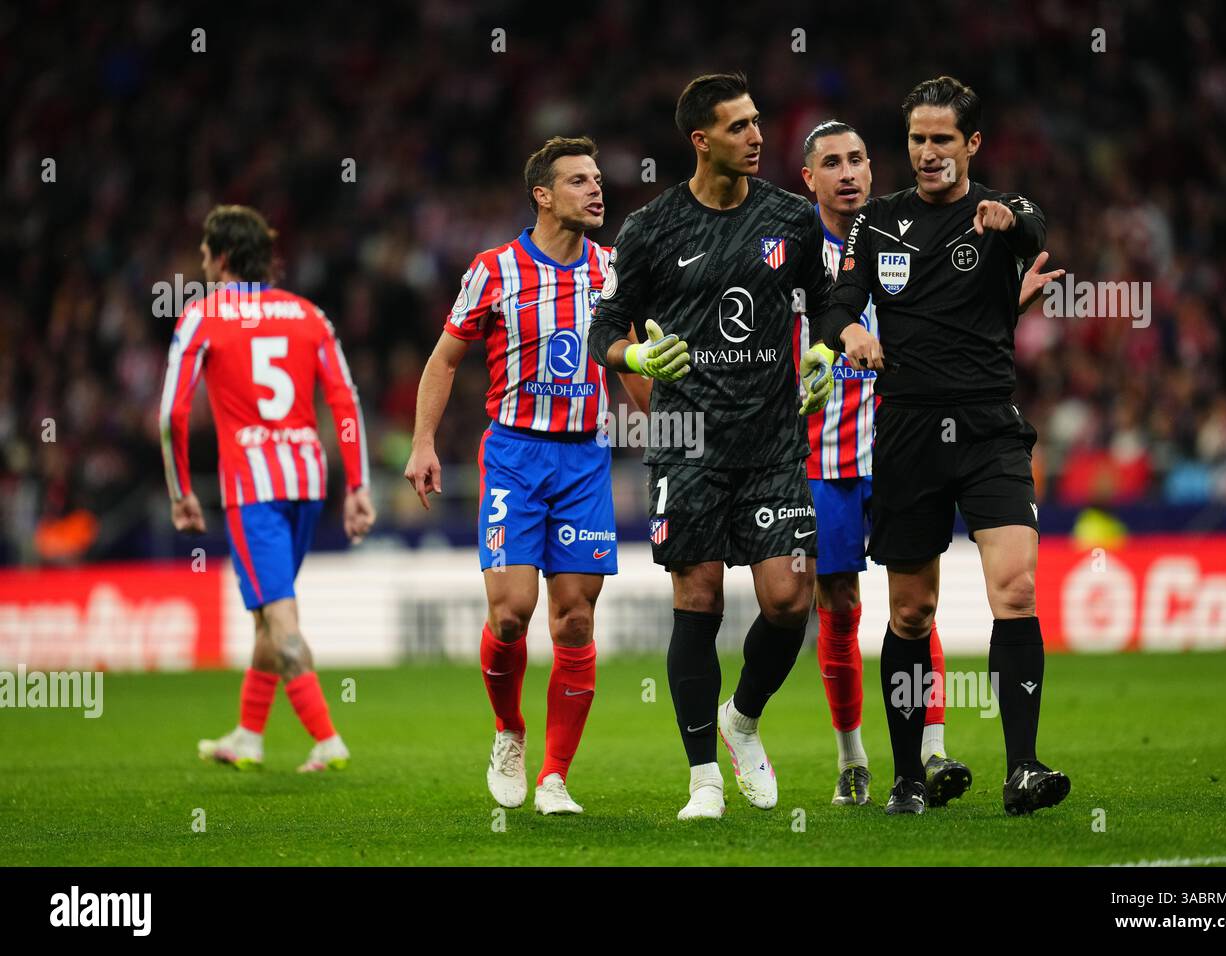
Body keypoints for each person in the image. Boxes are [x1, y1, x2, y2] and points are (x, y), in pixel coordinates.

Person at [818, 76, 1071, 815]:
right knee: (910, 614)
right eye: (917, 139)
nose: (928, 153)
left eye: (942, 140)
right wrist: (851, 330)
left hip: (990, 428)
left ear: (972, 144)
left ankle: (1021, 768)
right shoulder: (878, 221)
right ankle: (905, 777)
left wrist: (1010, 219)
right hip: (907, 432)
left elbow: (1033, 222)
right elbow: (837, 300)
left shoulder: (999, 214)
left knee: (1017, 590)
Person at [588, 72, 838, 820]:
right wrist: (633, 360)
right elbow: (606, 328)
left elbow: (827, 303)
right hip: (685, 441)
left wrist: (823, 352)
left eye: (757, 122)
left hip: (771, 442)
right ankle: (702, 778)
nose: (758, 136)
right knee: (695, 598)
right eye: (739, 127)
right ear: (701, 140)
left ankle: (742, 717)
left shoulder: (792, 220)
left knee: (791, 600)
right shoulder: (652, 229)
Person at [404, 137, 650, 815]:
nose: (596, 191)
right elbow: (445, 359)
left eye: (598, 179)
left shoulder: (613, 272)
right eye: (578, 181)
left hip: (584, 459)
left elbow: (628, 364)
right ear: (543, 195)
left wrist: (670, 434)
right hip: (514, 453)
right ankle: (508, 729)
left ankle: (554, 777)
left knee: (574, 620)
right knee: (512, 614)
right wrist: (424, 442)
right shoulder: (495, 270)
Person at [161, 205, 374, 773]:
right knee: (267, 610)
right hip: (307, 481)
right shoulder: (308, 314)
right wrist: (356, 484)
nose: (202, 263)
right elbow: (345, 399)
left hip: (252, 488)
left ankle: (328, 741)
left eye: (206, 253)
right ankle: (249, 736)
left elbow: (173, 413)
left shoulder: (203, 316)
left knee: (280, 621)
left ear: (222, 257)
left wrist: (181, 488)